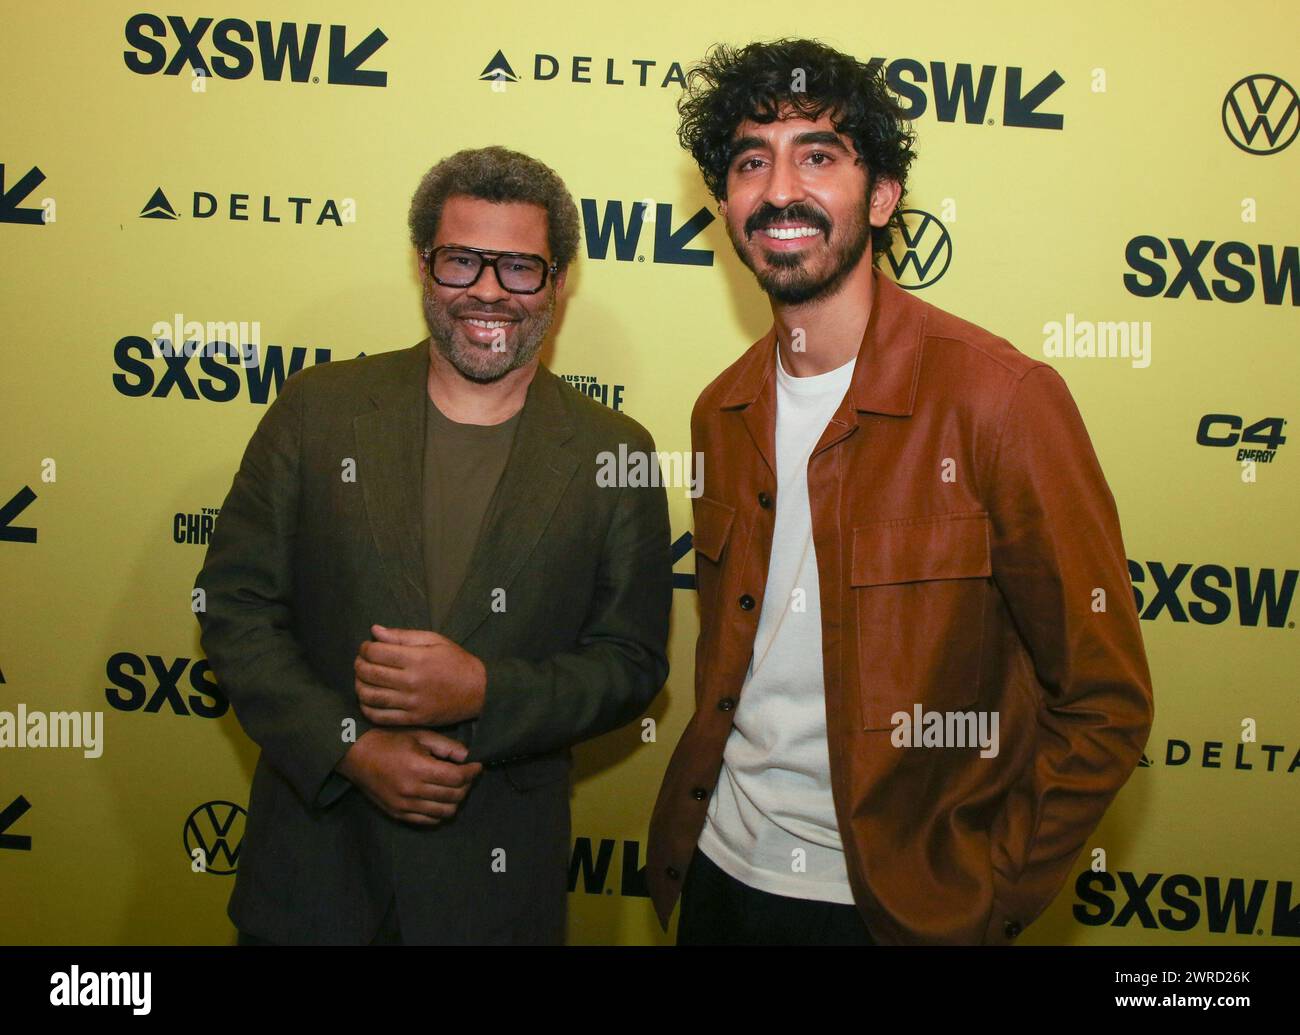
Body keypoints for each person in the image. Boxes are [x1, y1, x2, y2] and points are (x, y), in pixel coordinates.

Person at [646, 39, 1154, 946]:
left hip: (898, 911)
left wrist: (988, 896)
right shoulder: (719, 410)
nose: (778, 189)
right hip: (720, 874)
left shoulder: (1000, 401)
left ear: (880, 198)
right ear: (725, 204)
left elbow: (1104, 699)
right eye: (750, 160)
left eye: (818, 155)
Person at [195, 145, 673, 945]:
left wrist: (485, 688)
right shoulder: (319, 410)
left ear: (559, 282)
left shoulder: (614, 452)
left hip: (492, 896)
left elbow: (630, 664)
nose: (488, 290)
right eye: (461, 261)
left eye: (520, 268)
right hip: (314, 879)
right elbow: (234, 607)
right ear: (424, 267)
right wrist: (350, 749)